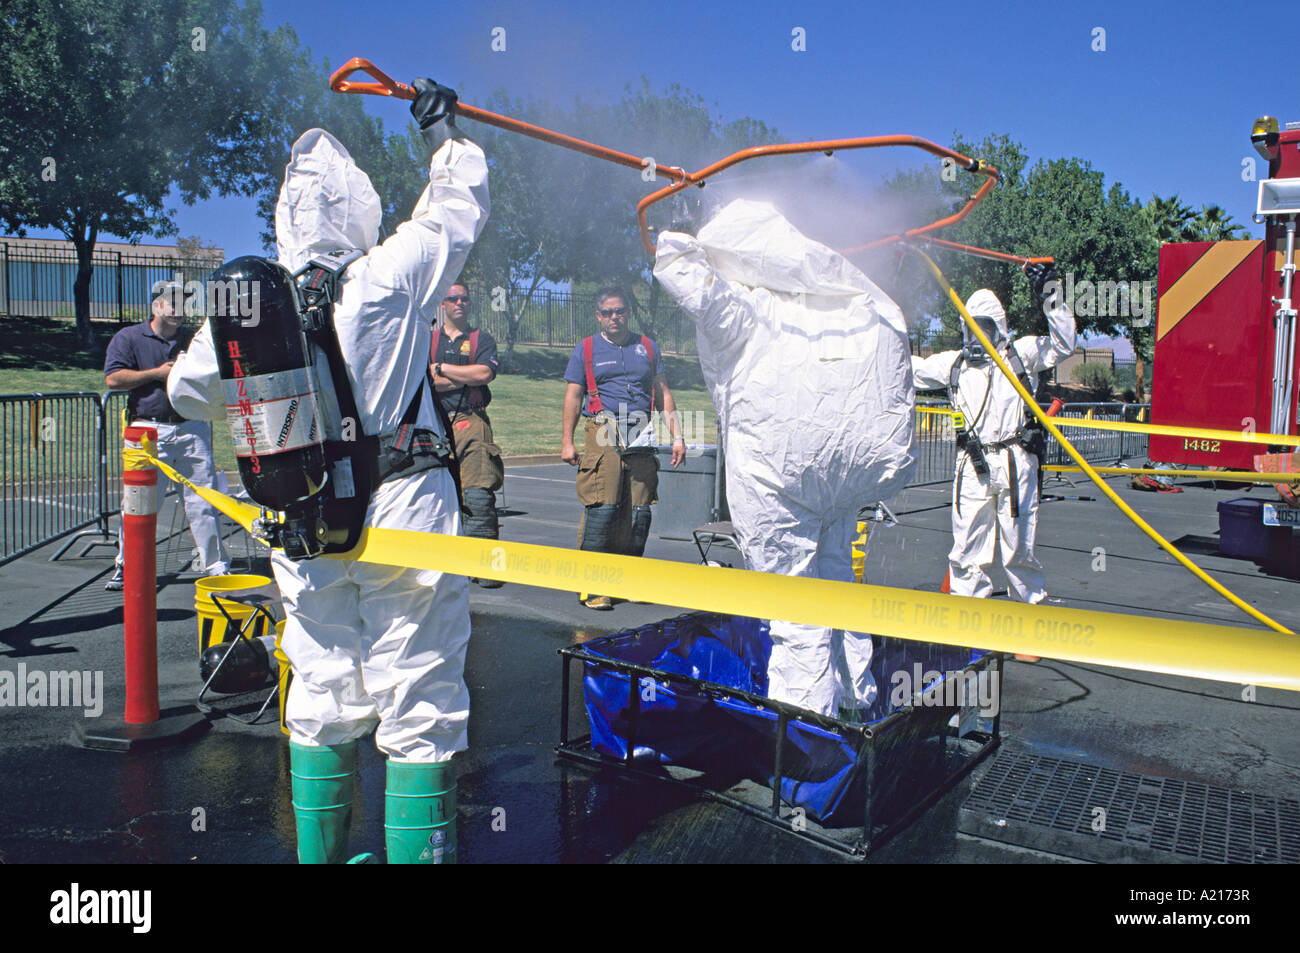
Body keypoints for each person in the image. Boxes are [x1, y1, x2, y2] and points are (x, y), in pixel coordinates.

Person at [167, 78, 489, 864]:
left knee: (320, 688)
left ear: (286, 218)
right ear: (360, 210)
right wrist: (444, 131)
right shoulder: (389, 276)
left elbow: (184, 389)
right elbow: (458, 201)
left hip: (303, 522)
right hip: (406, 511)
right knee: (418, 691)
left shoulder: (246, 314)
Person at [654, 199, 916, 719]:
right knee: (838, 580)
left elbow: (678, 267)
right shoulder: (843, 298)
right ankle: (854, 699)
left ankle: (806, 734)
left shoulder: (741, 306)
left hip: (779, 481)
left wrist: (683, 231)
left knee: (795, 610)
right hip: (850, 476)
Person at [910, 266, 1076, 604]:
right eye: (971, 328)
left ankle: (1029, 617)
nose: (976, 336)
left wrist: (1051, 296)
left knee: (1020, 544)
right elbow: (904, 368)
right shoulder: (954, 364)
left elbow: (1063, 345)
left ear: (997, 328)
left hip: (1015, 462)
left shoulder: (1019, 356)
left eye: (984, 327)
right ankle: (968, 620)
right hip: (971, 464)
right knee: (967, 546)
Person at [561, 286, 686, 610]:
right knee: (603, 506)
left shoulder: (647, 346)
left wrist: (677, 436)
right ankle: (592, 585)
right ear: (598, 315)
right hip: (603, 430)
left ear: (629, 312)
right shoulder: (586, 349)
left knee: (639, 511)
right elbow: (574, 396)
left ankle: (627, 578)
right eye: (607, 312)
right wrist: (566, 440)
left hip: (641, 431)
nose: (614, 317)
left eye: (620, 311)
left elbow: (662, 392)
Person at [103, 281, 229, 590]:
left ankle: (217, 568)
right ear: (156, 306)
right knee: (139, 503)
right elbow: (113, 379)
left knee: (204, 502)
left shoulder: (194, 340)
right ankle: (126, 566)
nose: (178, 308)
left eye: (184, 302)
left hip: (192, 428)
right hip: (148, 430)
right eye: (171, 302)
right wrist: (158, 374)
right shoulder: (130, 337)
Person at [429, 281, 504, 587]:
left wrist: (442, 369)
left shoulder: (481, 339)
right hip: (432, 425)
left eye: (465, 299)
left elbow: (485, 374)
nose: (460, 303)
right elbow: (424, 381)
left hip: (470, 423)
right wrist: (466, 377)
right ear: (443, 304)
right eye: (453, 298)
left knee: (478, 495)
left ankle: (486, 569)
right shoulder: (427, 339)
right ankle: (442, 565)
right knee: (434, 497)